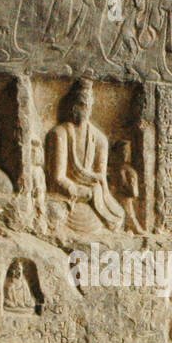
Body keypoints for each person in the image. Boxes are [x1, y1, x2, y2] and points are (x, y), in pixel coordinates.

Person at [46, 78, 125, 231]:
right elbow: (57, 177)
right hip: (67, 196)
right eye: (81, 104)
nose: (84, 109)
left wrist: (92, 190)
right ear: (72, 106)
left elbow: (100, 177)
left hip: (93, 197)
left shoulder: (100, 139)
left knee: (118, 216)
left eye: (88, 105)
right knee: (54, 213)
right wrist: (75, 190)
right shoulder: (59, 134)